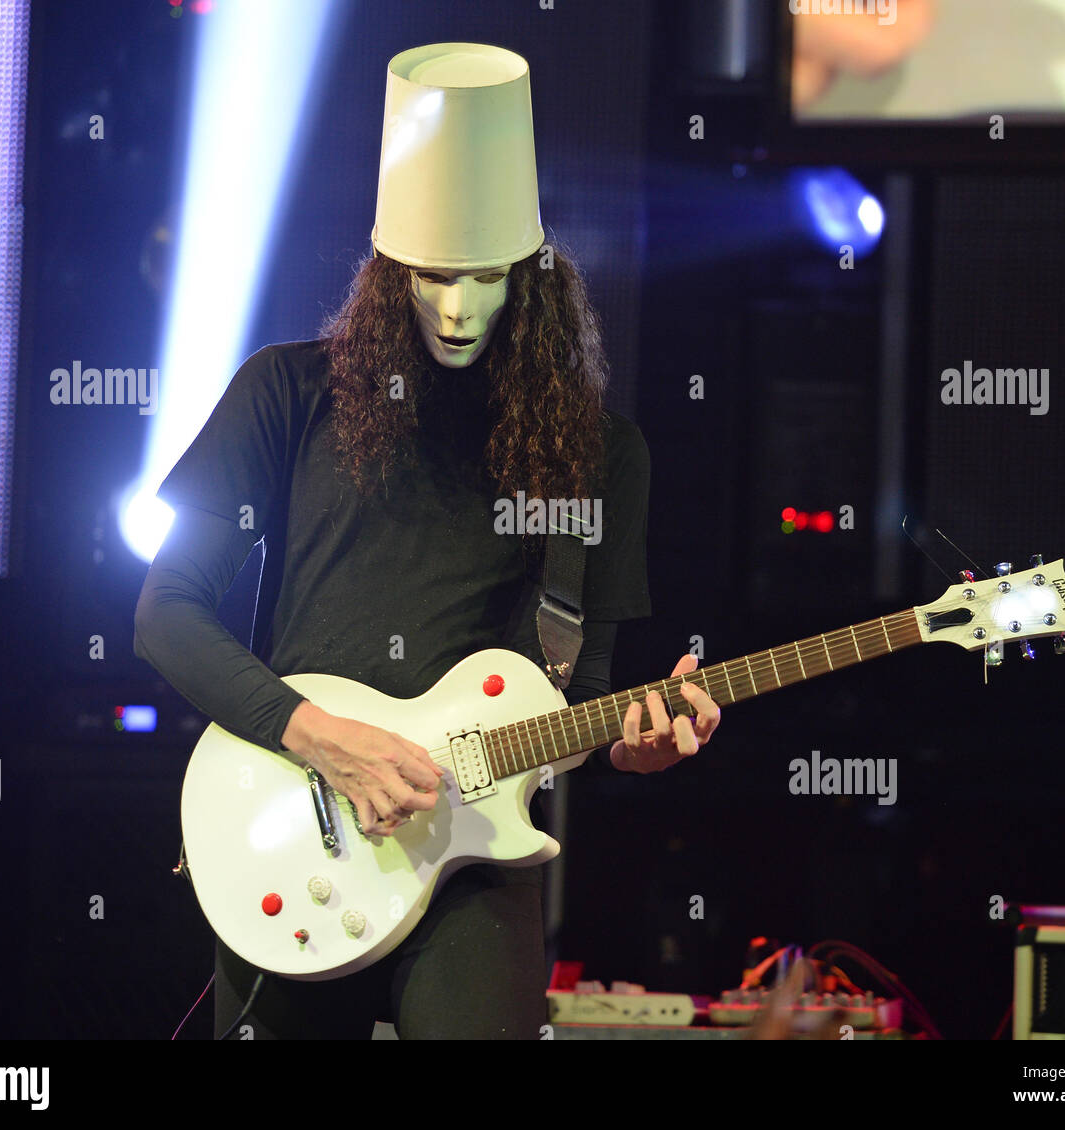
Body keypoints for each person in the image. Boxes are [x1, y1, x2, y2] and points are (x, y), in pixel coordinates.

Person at [133, 43, 720, 1040]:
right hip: (294, 818)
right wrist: (321, 737)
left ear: (532, 275)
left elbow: (584, 697)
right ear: (385, 272)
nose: (455, 309)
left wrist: (638, 746)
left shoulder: (602, 454)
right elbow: (165, 614)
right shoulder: (285, 392)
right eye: (430, 277)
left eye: (484, 278)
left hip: (475, 861)